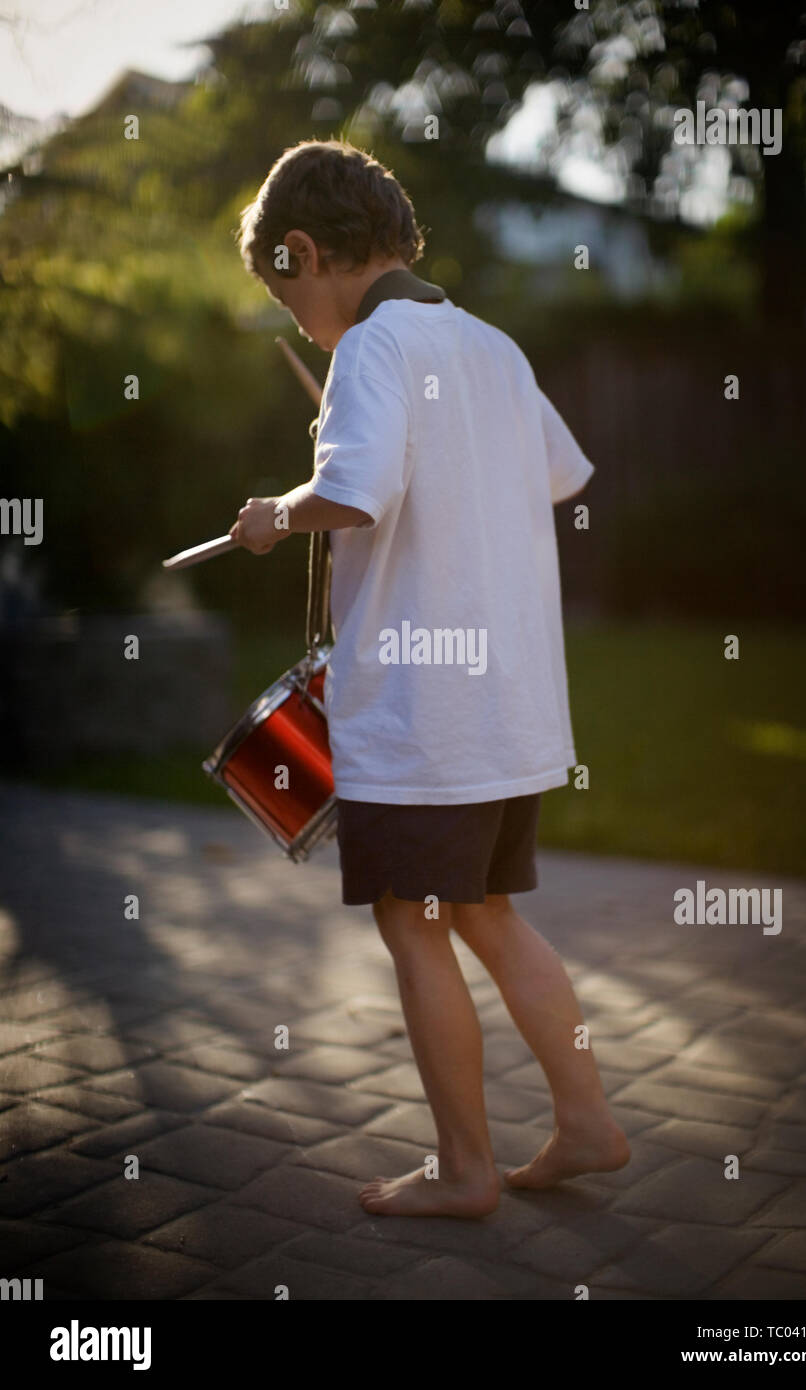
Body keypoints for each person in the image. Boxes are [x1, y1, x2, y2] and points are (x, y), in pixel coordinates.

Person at [230, 138, 630, 1218]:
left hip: (422, 715)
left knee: (413, 921)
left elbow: (353, 494)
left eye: (288, 292)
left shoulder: (370, 344)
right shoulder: (492, 346)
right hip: (508, 710)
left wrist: (279, 512)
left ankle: (462, 1170)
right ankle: (586, 1121)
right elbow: (556, 474)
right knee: (487, 912)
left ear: (304, 250)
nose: (299, 322)